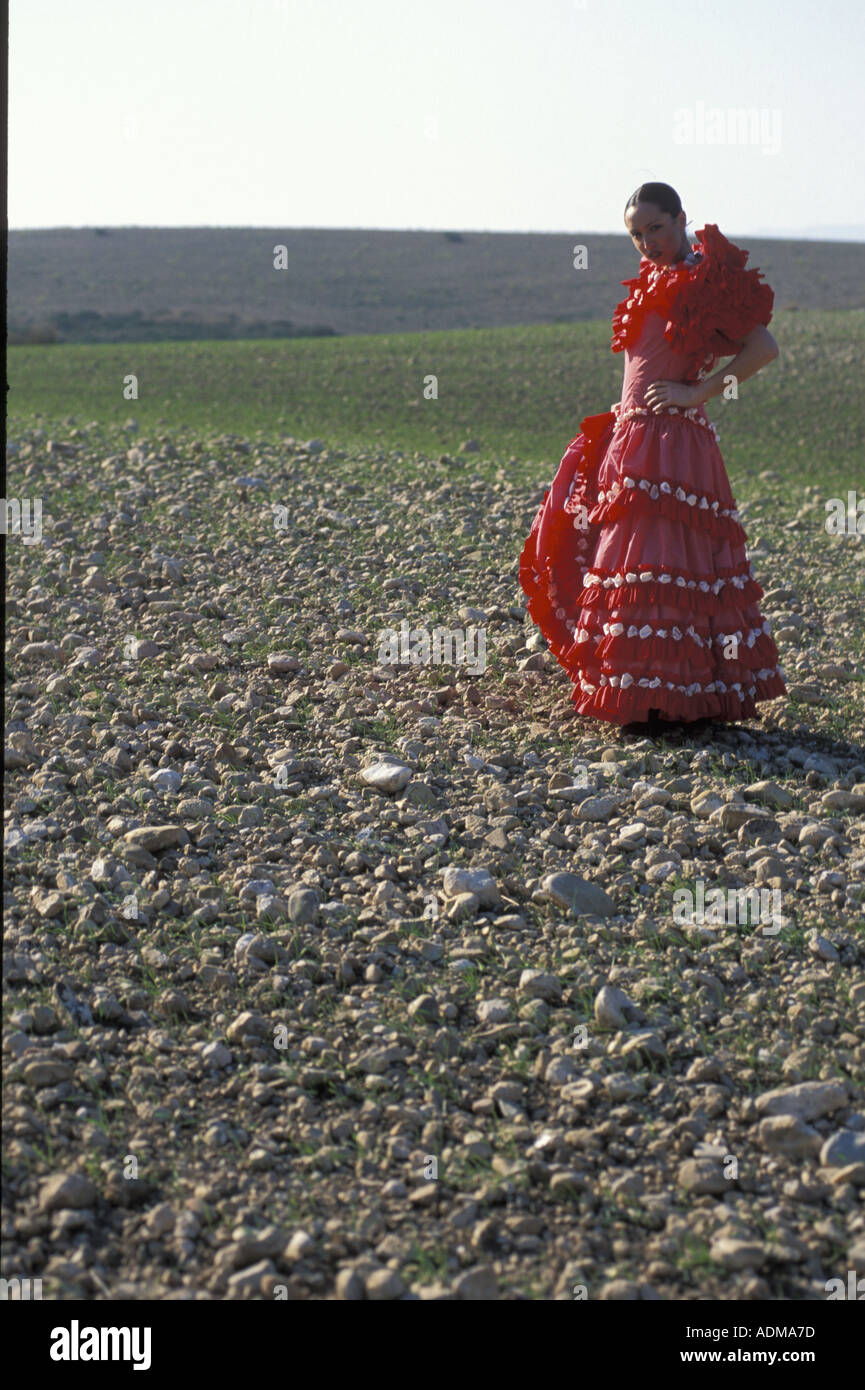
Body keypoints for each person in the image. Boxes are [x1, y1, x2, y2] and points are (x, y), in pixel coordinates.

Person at [519, 182, 787, 736]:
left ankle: (664, 698)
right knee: (630, 559)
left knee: (661, 562)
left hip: (673, 443)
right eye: (636, 235)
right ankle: (646, 692)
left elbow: (763, 347)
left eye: (655, 228)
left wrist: (698, 392)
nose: (646, 242)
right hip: (633, 434)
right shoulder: (657, 278)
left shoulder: (703, 282)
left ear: (681, 218)